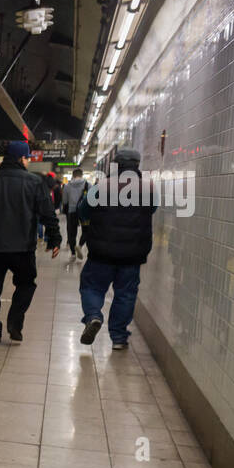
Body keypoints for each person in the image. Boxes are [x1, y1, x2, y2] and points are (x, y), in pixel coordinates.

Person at [0, 140, 61, 345]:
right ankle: (15, 322)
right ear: (21, 158)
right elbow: (48, 214)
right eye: (27, 158)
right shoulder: (34, 183)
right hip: (22, 248)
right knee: (26, 285)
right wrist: (54, 239)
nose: (28, 162)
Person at [77, 148, 156, 350]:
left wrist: (91, 223)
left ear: (116, 164)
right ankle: (119, 338)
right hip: (133, 255)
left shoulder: (101, 186)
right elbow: (152, 209)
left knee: (92, 287)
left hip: (101, 253)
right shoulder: (148, 189)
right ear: (137, 165)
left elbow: (83, 210)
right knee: (125, 294)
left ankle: (93, 316)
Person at [61, 167, 88, 260]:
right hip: (85, 213)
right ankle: (80, 246)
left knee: (71, 232)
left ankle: (73, 253)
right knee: (86, 231)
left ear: (73, 175)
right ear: (82, 175)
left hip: (71, 212)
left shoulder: (67, 186)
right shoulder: (88, 185)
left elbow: (64, 201)